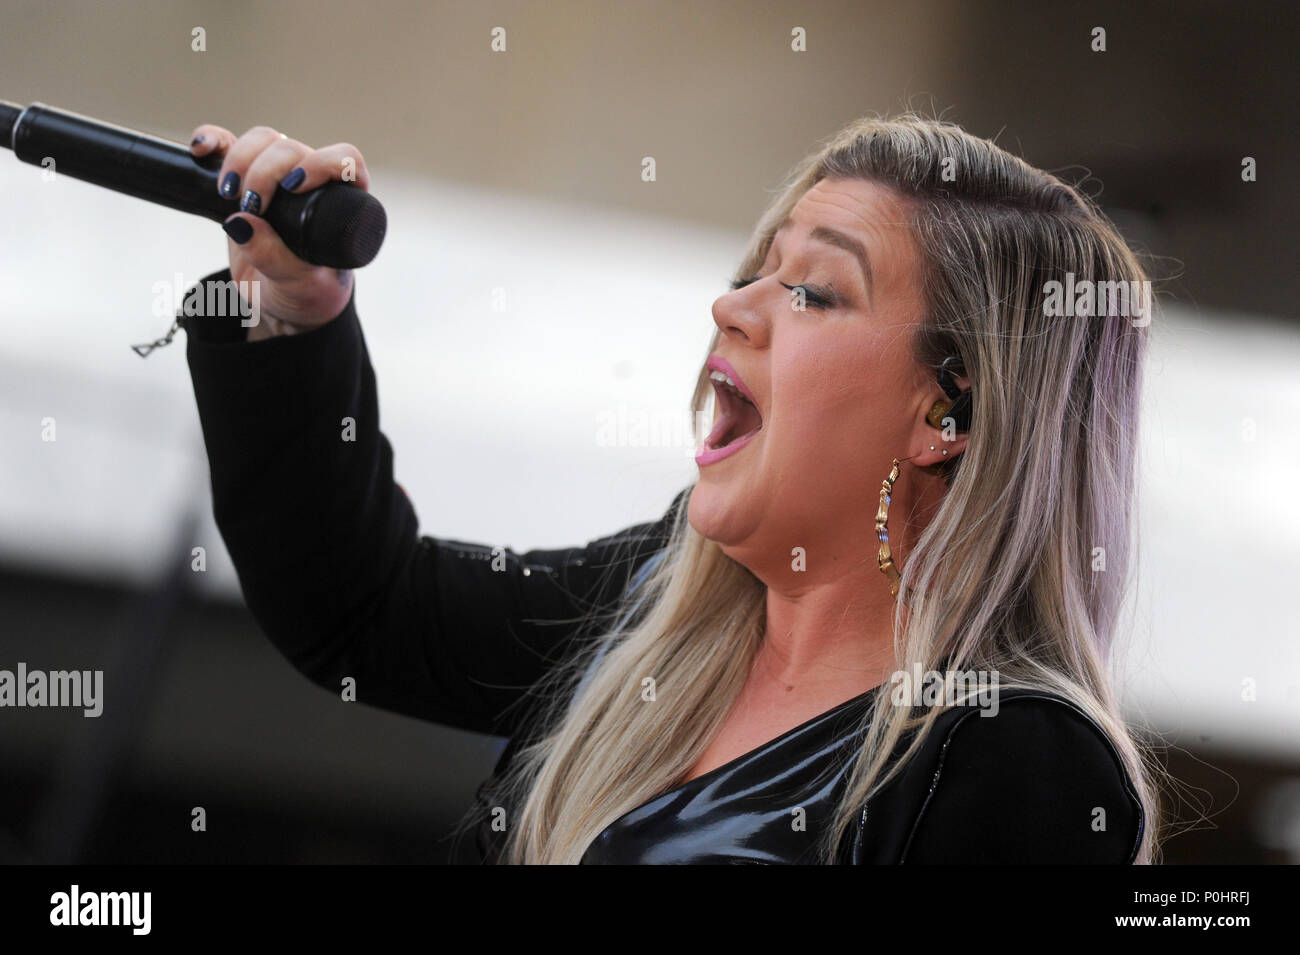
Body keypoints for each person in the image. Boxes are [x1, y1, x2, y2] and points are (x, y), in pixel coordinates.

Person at [178, 114, 1159, 864]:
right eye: (758, 272)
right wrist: (289, 315)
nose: (731, 306)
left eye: (813, 291)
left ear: (950, 412)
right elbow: (359, 607)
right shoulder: (649, 600)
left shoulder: (1013, 757)